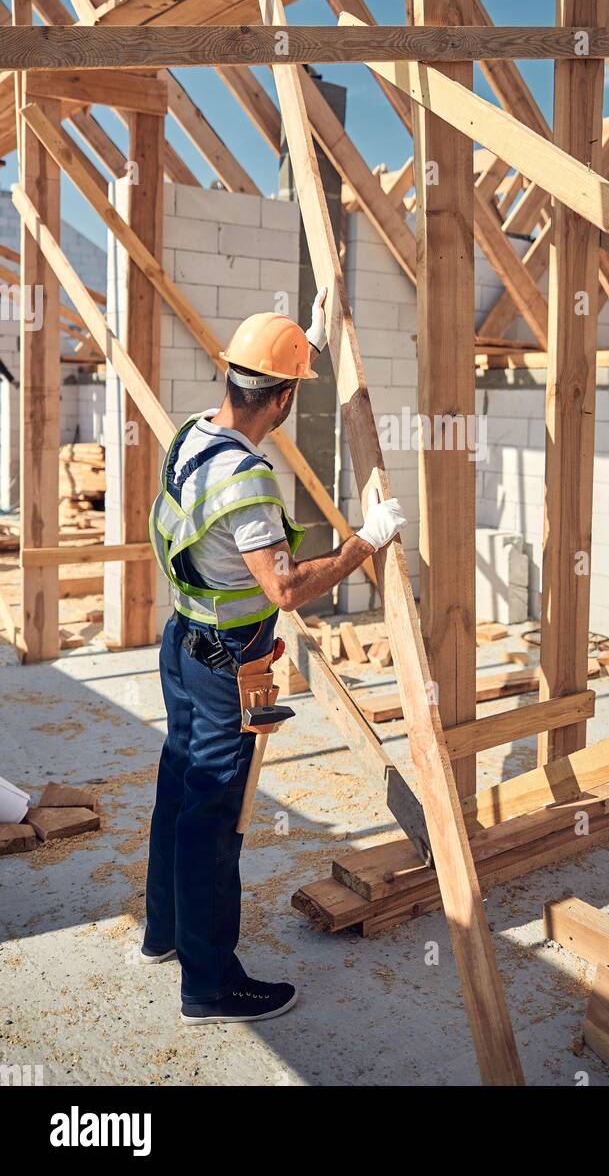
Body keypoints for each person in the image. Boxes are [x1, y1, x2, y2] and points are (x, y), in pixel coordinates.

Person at [143, 288, 407, 1024]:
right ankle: (209, 985)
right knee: (214, 819)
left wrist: (308, 341)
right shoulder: (249, 483)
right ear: (285, 397)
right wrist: (365, 542)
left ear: (233, 378)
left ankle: (163, 934)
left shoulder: (195, 436)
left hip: (183, 644)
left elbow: (268, 379)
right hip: (229, 662)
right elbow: (286, 588)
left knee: (178, 790)